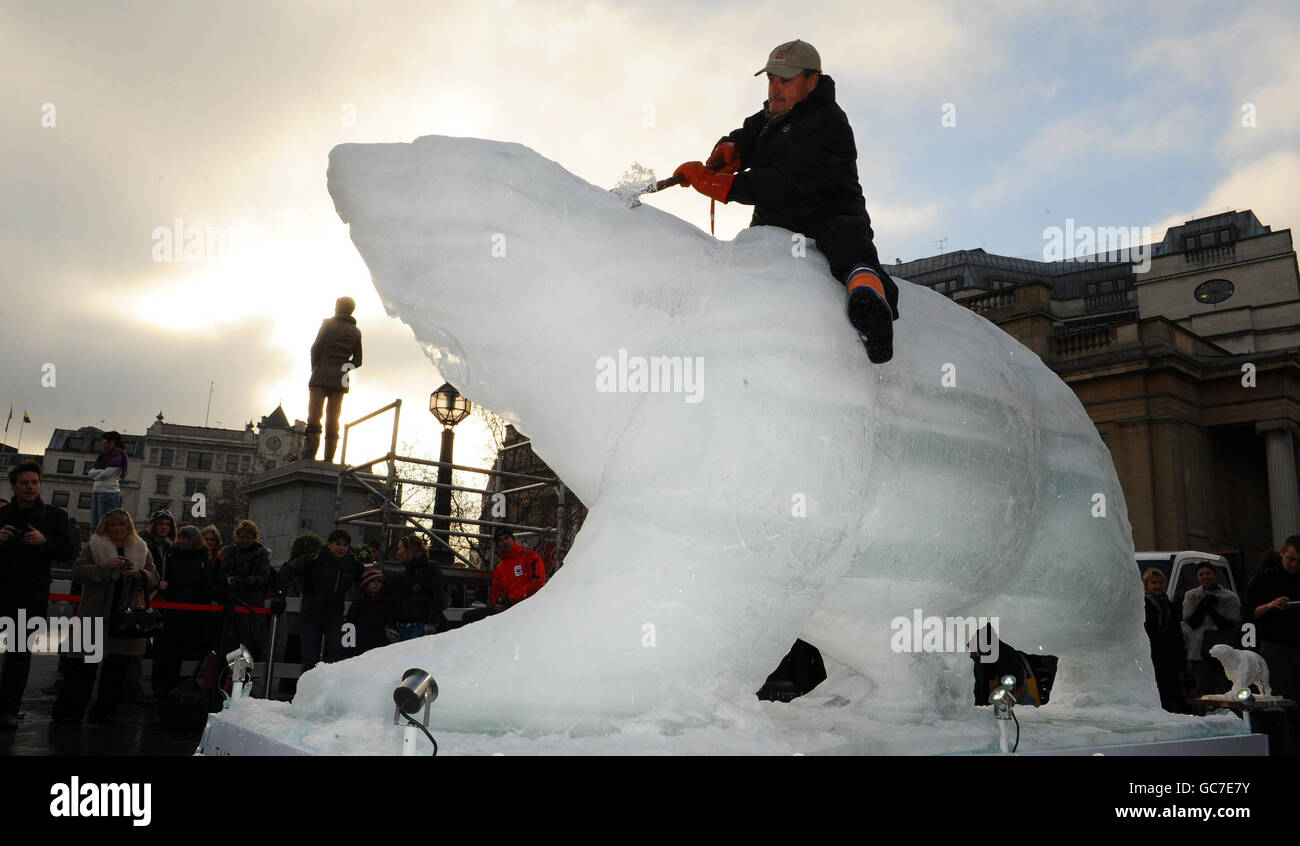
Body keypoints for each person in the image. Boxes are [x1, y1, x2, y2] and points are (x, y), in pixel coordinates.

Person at [672, 39, 899, 364]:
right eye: (771, 79)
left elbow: (781, 183)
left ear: (812, 81)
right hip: (774, 221)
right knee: (751, 250)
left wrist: (720, 185)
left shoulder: (829, 123)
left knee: (848, 241)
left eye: (785, 80)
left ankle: (868, 299)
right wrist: (731, 148)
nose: (775, 89)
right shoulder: (771, 115)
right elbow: (748, 134)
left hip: (828, 211)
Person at [52, 508, 159, 725]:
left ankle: (104, 713)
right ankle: (69, 713)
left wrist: (140, 574)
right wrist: (104, 568)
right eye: (112, 525)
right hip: (93, 614)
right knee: (81, 669)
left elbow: (154, 576)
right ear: (106, 527)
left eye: (121, 525)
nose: (117, 529)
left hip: (125, 618)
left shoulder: (141, 548)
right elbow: (78, 572)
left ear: (128, 527)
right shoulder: (94, 546)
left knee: (116, 672)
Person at [0, 462, 74, 728]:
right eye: (24, 482)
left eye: (34, 482)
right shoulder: (2, 514)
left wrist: (44, 542)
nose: (30, 487)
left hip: (30, 595)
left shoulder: (54, 516)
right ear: (14, 486)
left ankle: (8, 711)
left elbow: (68, 551)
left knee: (19, 656)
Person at [277, 528, 359, 672]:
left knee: (336, 657)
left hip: (334, 615)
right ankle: (309, 692)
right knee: (310, 659)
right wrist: (280, 595)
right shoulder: (315, 559)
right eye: (337, 544)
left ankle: (330, 691)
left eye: (344, 545)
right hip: (311, 614)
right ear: (329, 544)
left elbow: (365, 579)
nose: (341, 548)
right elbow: (287, 569)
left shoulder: (352, 563)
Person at [150, 525, 213, 696]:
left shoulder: (200, 559)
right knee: (162, 651)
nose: (182, 541)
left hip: (186, 614)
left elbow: (204, 587)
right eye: (181, 538)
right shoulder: (172, 555)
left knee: (175, 653)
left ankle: (168, 686)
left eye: (186, 538)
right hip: (169, 610)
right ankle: (160, 685)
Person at [303, 296, 363, 462]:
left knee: (314, 416)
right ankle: (329, 459)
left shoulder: (327, 323)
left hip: (321, 371)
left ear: (339, 307)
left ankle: (309, 455)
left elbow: (315, 348)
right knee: (333, 418)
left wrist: (315, 367)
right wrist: (344, 369)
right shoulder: (356, 332)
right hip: (341, 378)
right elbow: (358, 361)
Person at [1245, 536, 1300, 705]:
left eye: (1299, 561)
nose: (1295, 565)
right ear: (1281, 553)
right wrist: (1271, 605)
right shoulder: (1264, 579)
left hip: (1297, 645)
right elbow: (1250, 613)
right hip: (1274, 647)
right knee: (1278, 695)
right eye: (1291, 559)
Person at [462, 529, 547, 625]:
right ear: (498, 544)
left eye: (506, 538)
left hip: (528, 608)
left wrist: (512, 599)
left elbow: (538, 584)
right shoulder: (500, 568)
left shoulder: (530, 557)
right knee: (468, 616)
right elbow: (495, 595)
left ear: (513, 539)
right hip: (506, 611)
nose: (504, 542)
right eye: (500, 540)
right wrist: (498, 604)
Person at [1182, 563, 1241, 699]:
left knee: (1225, 687)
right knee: (1203, 689)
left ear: (1215, 575)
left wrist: (1212, 610)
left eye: (1208, 573)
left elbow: (1231, 623)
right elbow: (1191, 622)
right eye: (1201, 574)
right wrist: (1204, 605)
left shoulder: (1229, 597)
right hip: (1198, 652)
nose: (1205, 577)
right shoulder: (1191, 595)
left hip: (1224, 651)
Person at [216, 520, 273, 660]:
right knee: (230, 641)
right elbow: (221, 573)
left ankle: (245, 675)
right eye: (242, 536)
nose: (245, 540)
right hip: (232, 599)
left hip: (252, 602)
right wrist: (228, 579)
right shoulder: (230, 551)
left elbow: (264, 576)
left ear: (254, 537)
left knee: (249, 642)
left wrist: (251, 580)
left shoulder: (261, 553)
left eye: (248, 537)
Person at [1142, 568, 1188, 713]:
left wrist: (1181, 660)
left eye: (1160, 583)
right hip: (1151, 655)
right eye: (1154, 583)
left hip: (1170, 656)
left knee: (1172, 692)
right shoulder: (1143, 605)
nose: (1157, 586)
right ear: (1147, 585)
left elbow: (1177, 634)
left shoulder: (1169, 605)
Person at [387, 534, 445, 640]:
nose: (397, 553)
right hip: (405, 626)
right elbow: (397, 601)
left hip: (420, 625)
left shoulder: (431, 570)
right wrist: (391, 625)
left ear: (409, 550)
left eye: (400, 549)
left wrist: (431, 623)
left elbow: (438, 596)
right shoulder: (405, 573)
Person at [86, 431, 128, 530]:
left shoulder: (118, 455)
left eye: (108, 442)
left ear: (115, 443)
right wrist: (101, 471)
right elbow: (90, 473)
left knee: (105, 526)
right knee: (94, 525)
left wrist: (96, 476)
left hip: (108, 492)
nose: (105, 445)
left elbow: (106, 474)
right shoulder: (102, 456)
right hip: (97, 491)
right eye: (103, 442)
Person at [346, 567, 389, 656]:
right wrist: (347, 651)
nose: (376, 584)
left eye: (379, 581)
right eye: (373, 581)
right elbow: (349, 626)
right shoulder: (358, 603)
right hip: (358, 649)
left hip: (379, 648)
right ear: (365, 583)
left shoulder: (384, 602)